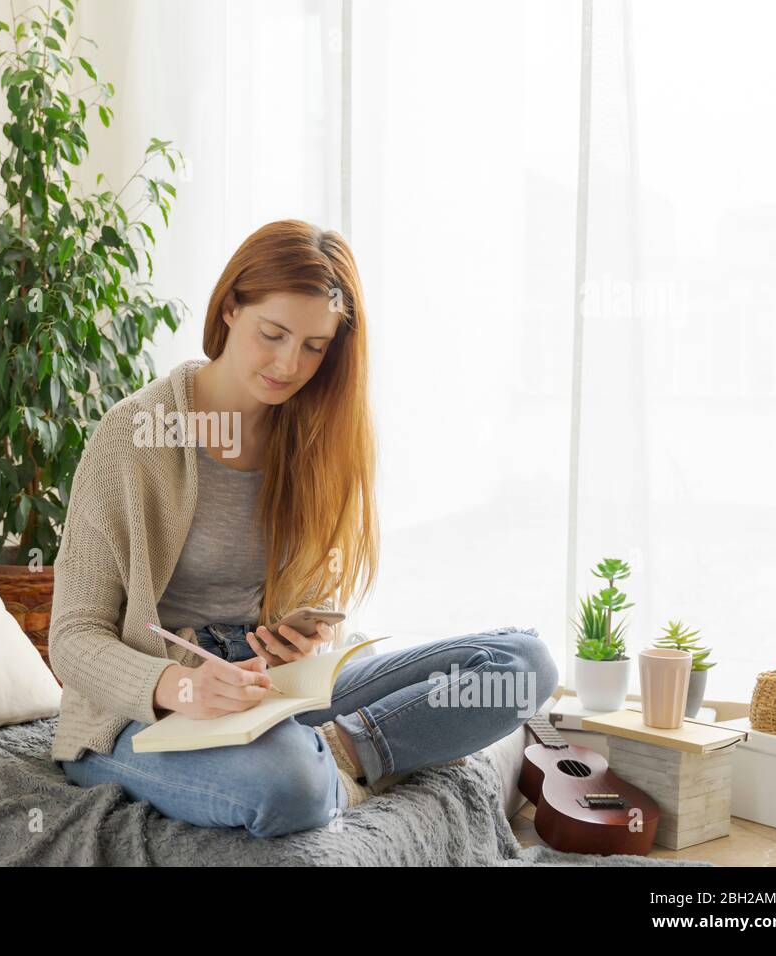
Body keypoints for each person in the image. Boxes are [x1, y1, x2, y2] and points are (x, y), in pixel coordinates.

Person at [50, 219, 557, 838]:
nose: (290, 364)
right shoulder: (133, 435)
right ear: (231, 308)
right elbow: (74, 637)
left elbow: (315, 599)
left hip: (276, 689)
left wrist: (301, 639)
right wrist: (177, 685)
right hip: (142, 710)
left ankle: (343, 755)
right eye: (274, 333)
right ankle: (331, 764)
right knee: (288, 785)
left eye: (316, 346)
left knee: (523, 665)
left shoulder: (313, 437)